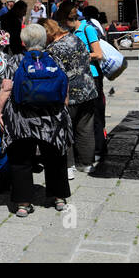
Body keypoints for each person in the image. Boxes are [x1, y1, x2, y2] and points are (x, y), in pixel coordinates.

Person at [0, 23, 71, 216]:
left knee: (20, 159)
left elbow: (6, 88)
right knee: (55, 156)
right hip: (51, 118)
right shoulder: (54, 59)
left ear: (23, 41)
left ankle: (23, 203)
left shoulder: (16, 61)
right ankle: (59, 198)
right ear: (44, 40)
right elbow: (65, 86)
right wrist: (64, 107)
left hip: (22, 118)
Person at [46, 17, 95, 180]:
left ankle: (68, 165)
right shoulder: (75, 38)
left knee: (64, 128)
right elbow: (87, 58)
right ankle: (87, 163)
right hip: (88, 88)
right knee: (85, 127)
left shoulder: (53, 48)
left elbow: (55, 74)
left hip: (69, 94)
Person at [80, 4, 108, 163]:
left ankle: (99, 148)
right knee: (90, 113)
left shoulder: (89, 27)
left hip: (93, 74)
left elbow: (98, 53)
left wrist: (79, 56)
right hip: (88, 75)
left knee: (95, 113)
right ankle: (96, 147)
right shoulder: (93, 25)